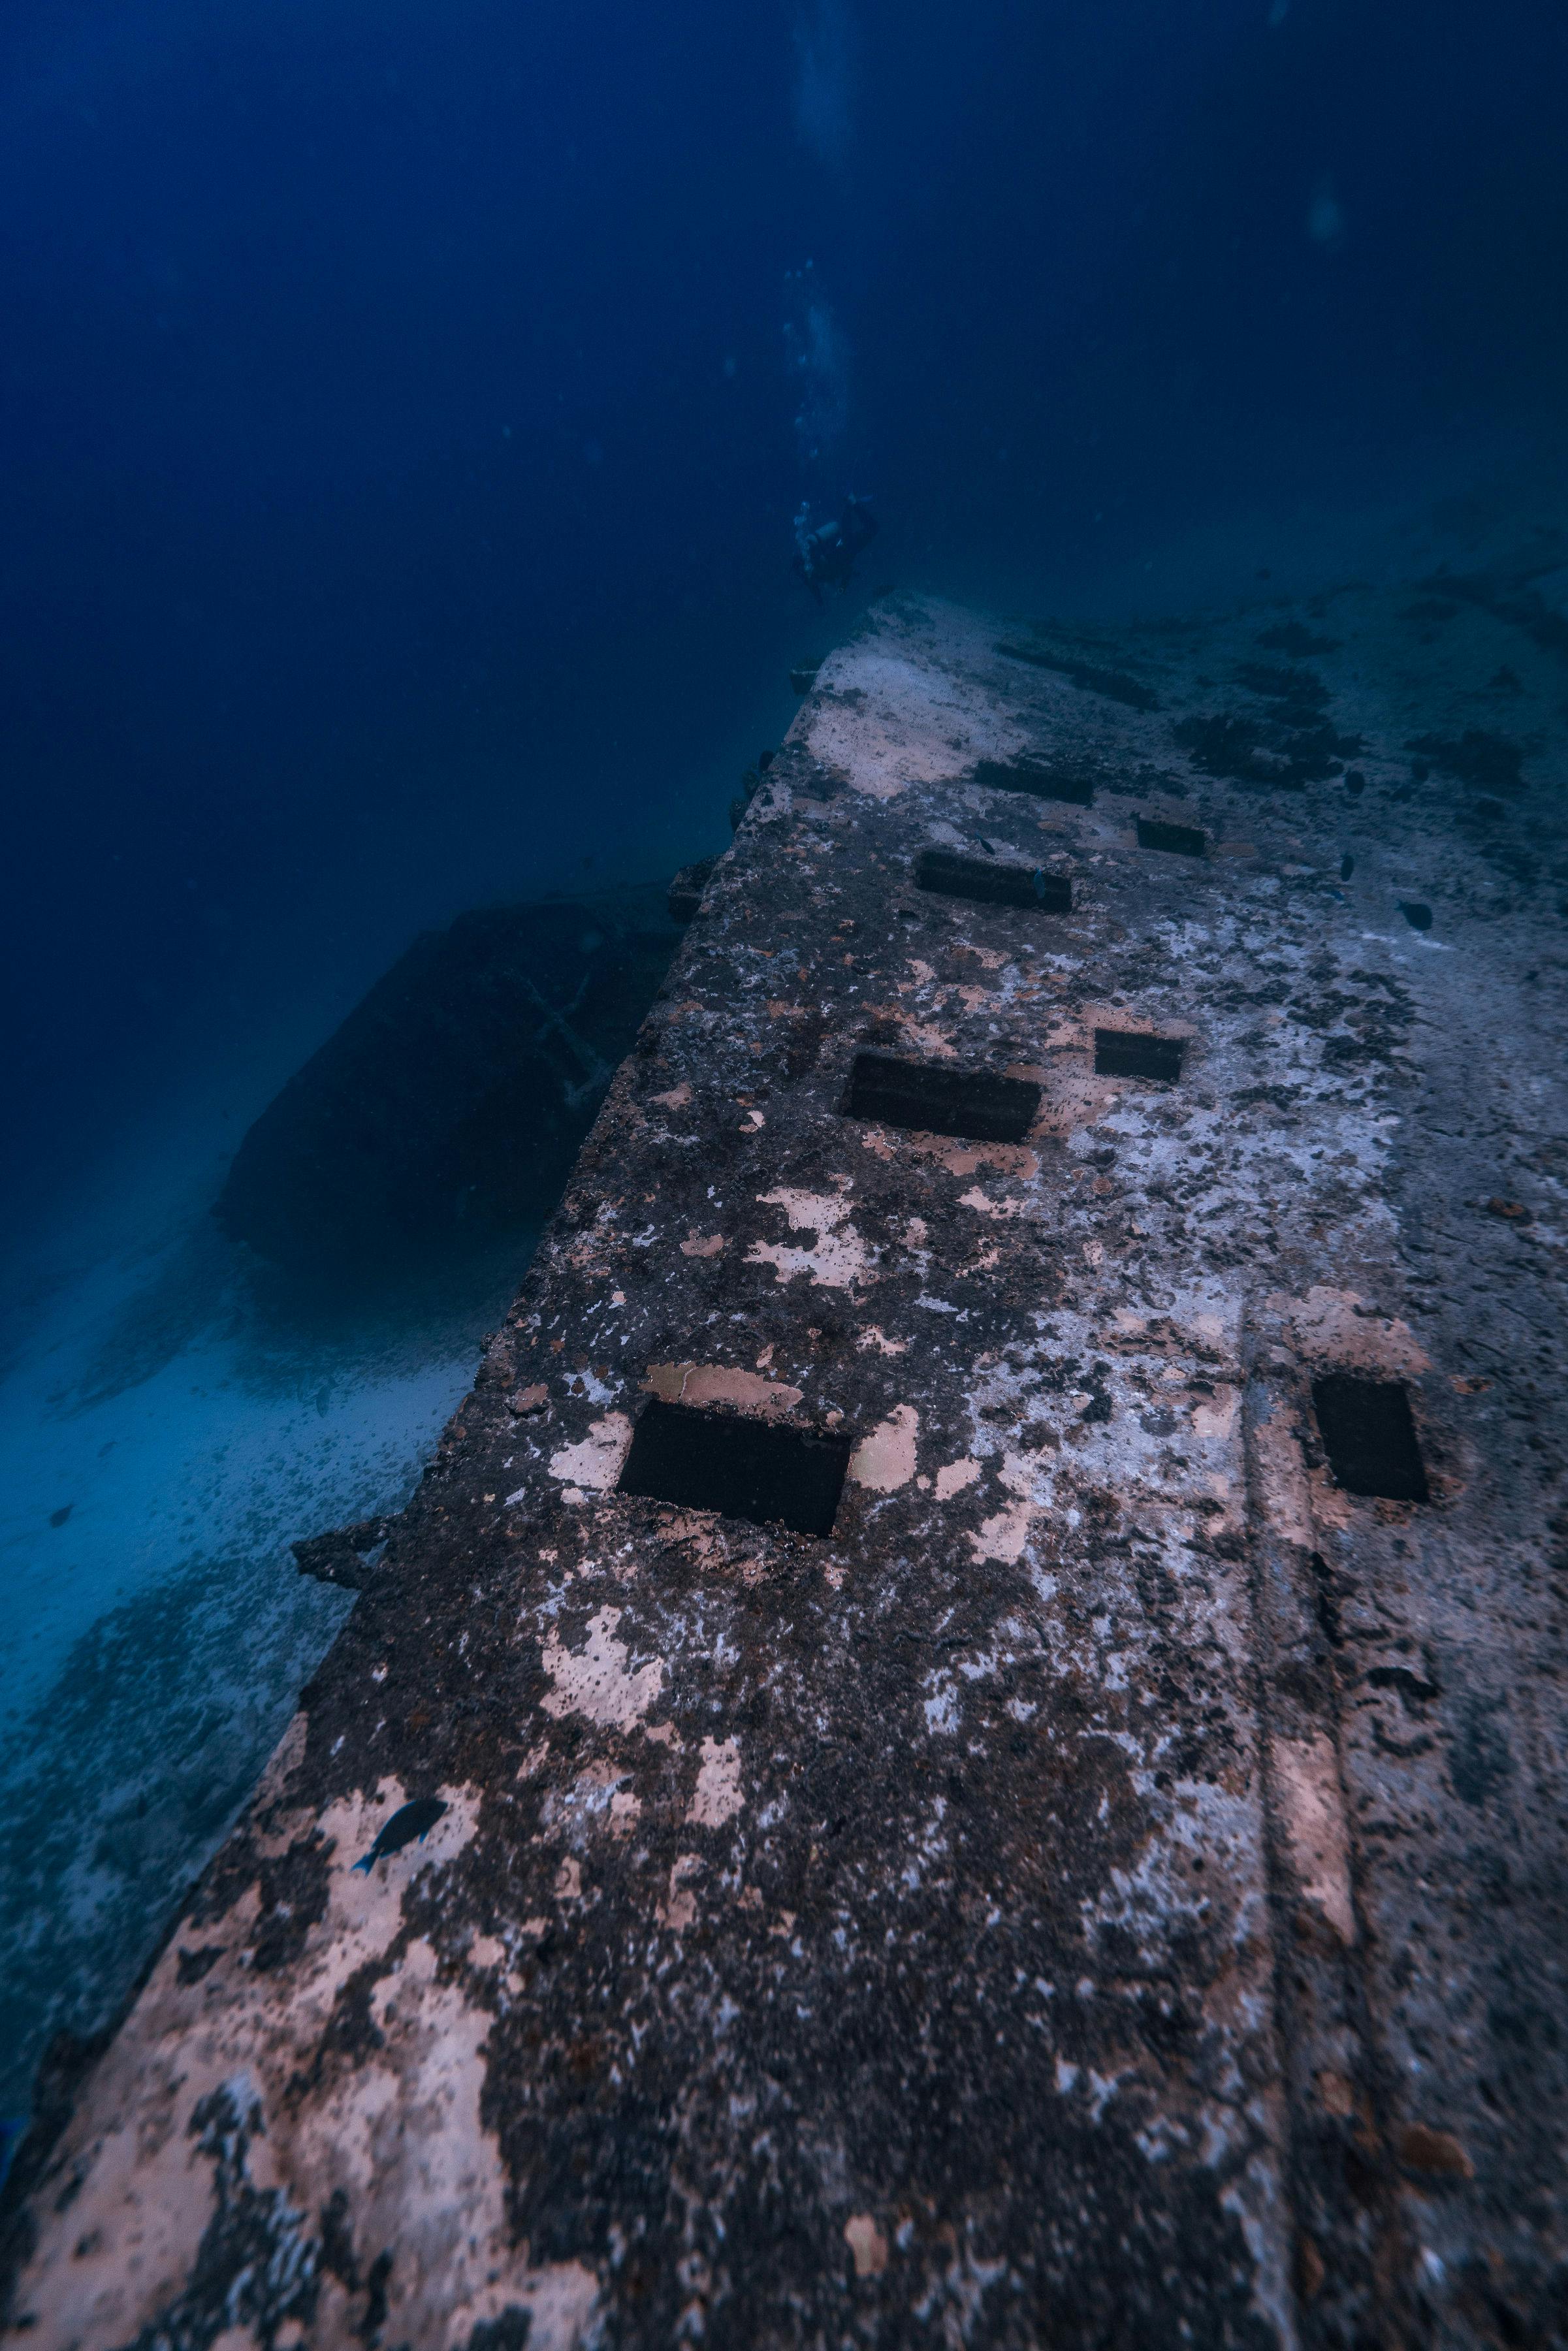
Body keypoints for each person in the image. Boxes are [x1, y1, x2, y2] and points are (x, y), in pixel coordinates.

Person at [793, 493, 878, 601]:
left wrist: (841, 589)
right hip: (843, 546)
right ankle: (851, 504)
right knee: (853, 528)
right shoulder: (814, 573)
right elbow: (814, 589)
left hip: (846, 548)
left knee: (872, 528)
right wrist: (821, 603)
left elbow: (846, 570)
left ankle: (851, 503)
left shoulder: (818, 572)